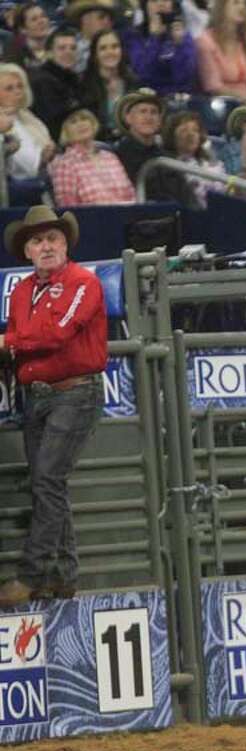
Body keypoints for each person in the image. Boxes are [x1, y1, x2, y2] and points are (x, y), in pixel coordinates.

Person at [0, 207, 106, 608]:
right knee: (49, 483)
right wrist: (13, 345)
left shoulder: (83, 282)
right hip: (40, 394)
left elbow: (56, 332)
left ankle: (31, 575)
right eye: (38, 241)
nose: (46, 246)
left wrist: (9, 344)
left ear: (65, 245)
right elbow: (26, 335)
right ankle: (62, 575)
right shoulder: (22, 291)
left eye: (53, 239)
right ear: (27, 250)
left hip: (75, 391)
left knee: (46, 479)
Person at [114, 88, 194, 206]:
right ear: (128, 118)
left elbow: (188, 198)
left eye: (154, 112)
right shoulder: (117, 157)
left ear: (160, 122)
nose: (149, 117)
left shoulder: (168, 158)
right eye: (143, 111)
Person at [47, 108, 137, 205]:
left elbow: (131, 194)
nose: (81, 124)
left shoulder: (110, 157)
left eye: (84, 119)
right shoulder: (65, 164)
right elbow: (68, 208)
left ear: (93, 123)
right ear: (65, 131)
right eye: (73, 122)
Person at [196, 0, 246, 100]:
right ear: (221, 7)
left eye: (245, 3)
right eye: (236, 2)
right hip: (221, 104)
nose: (242, 7)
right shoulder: (206, 41)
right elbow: (214, 86)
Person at [124, 0, 199, 95]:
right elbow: (143, 74)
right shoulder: (134, 36)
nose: (160, 4)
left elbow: (186, 77)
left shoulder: (182, 35)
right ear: (145, 6)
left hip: (179, 98)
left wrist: (179, 45)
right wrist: (154, 39)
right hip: (148, 97)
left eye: (165, 0)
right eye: (154, 1)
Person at [79, 30, 142, 142]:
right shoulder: (84, 84)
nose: (110, 52)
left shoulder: (132, 81)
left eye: (115, 47)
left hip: (130, 141)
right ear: (95, 55)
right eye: (103, 48)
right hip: (98, 143)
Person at [0, 63, 54, 180]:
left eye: (20, 86)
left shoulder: (26, 116)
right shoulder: (3, 123)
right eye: (9, 88)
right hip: (20, 187)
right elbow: (30, 166)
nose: (18, 91)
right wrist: (44, 157)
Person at [30, 28, 84, 143]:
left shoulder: (73, 77)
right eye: (62, 48)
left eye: (73, 48)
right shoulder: (42, 81)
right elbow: (55, 123)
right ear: (49, 53)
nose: (68, 52)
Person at [163, 109, 225, 207]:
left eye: (195, 130)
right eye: (184, 130)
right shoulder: (165, 165)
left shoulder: (213, 163)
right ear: (172, 135)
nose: (190, 134)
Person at [65, 0, 115, 71]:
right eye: (101, 17)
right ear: (85, 20)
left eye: (110, 19)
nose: (107, 22)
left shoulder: (118, 47)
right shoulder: (69, 49)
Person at [4, 2, 52, 70]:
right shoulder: (15, 50)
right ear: (23, 29)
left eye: (43, 16)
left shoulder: (59, 42)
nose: (41, 21)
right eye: (34, 19)